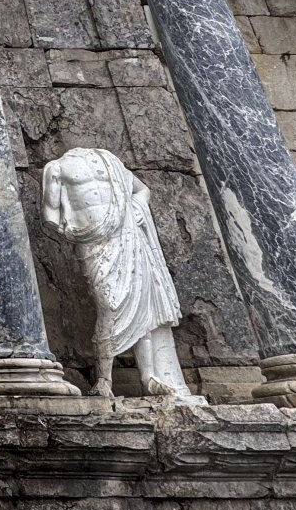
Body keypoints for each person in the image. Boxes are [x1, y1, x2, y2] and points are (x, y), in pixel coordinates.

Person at [41, 147, 191, 398]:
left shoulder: (111, 161)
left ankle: (149, 377)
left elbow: (142, 190)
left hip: (125, 235)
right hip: (92, 241)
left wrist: (137, 207)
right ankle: (104, 379)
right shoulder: (56, 168)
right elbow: (50, 215)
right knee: (109, 306)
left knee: (141, 303)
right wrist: (75, 232)